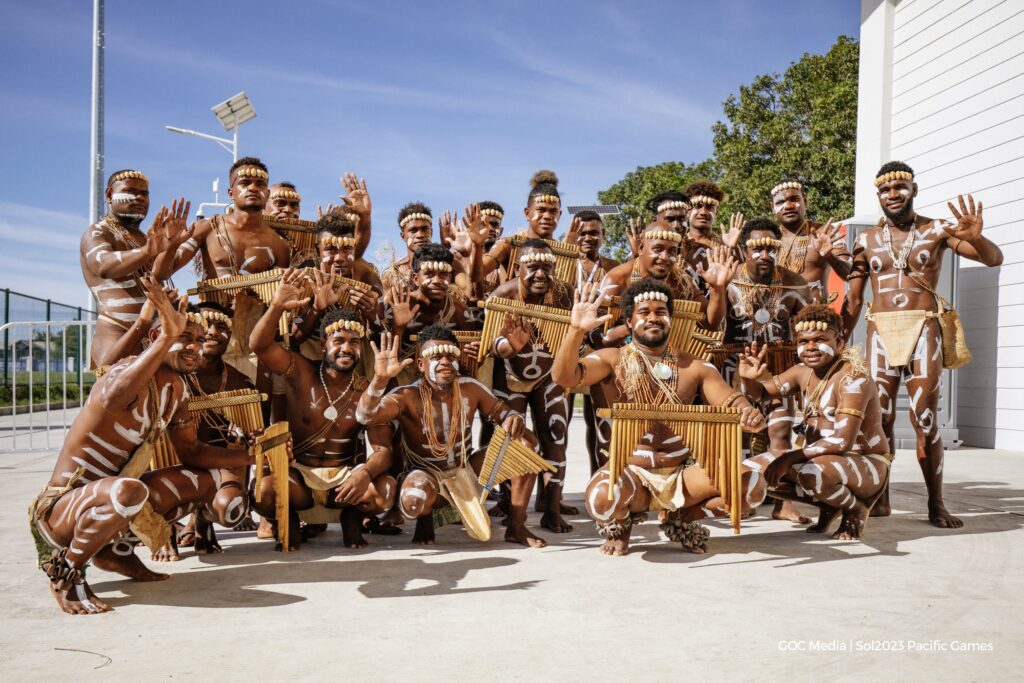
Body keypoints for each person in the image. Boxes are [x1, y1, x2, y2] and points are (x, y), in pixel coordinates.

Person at [28, 282, 255, 614]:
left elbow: (193, 453)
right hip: (63, 511)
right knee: (128, 492)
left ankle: (114, 553)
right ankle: (66, 574)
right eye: (184, 339)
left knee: (208, 481)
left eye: (197, 340)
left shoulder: (175, 389)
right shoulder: (121, 375)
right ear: (156, 340)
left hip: (114, 500)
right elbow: (114, 395)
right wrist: (165, 338)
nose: (195, 347)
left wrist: (253, 454)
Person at [551, 279, 767, 556]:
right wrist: (575, 332)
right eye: (644, 312)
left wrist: (747, 411)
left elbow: (730, 401)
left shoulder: (696, 367)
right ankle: (621, 524)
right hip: (631, 473)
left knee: (752, 487)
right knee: (601, 499)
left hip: (683, 473)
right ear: (629, 321)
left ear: (670, 320)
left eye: (661, 312)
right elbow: (564, 377)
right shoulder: (611, 360)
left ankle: (683, 517)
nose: (654, 317)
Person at [842, 161, 1002, 528]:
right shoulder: (866, 239)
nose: (892, 195)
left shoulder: (936, 230)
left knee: (925, 419)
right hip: (879, 330)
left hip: (923, 327)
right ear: (877, 195)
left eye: (900, 188)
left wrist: (975, 237)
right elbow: (852, 298)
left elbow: (994, 259)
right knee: (879, 420)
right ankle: (881, 499)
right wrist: (839, 336)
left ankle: (936, 503)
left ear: (913, 190)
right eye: (885, 190)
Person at [355, 326, 546, 547]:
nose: (445, 361)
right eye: (435, 356)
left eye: (450, 355)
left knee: (526, 443)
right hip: (426, 474)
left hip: (464, 469)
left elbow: (503, 413)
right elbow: (365, 415)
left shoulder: (470, 388)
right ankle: (427, 516)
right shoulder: (407, 395)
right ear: (421, 365)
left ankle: (516, 527)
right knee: (414, 501)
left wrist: (513, 418)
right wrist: (379, 379)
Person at [249, 272, 396, 550]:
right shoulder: (300, 371)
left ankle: (351, 518)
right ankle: (287, 520)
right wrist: (277, 307)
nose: (346, 348)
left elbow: (384, 451)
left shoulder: (367, 390)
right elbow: (259, 345)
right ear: (323, 344)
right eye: (338, 340)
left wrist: (363, 473)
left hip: (343, 480)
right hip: (298, 477)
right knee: (264, 492)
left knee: (384, 491)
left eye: (354, 342)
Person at [741, 304, 891, 540]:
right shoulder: (802, 372)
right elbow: (762, 393)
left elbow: (842, 441)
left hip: (865, 465)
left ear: (839, 343)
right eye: (803, 341)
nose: (810, 347)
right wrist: (749, 378)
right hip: (822, 462)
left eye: (819, 339)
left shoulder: (854, 379)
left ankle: (854, 509)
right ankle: (829, 506)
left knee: (811, 472)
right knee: (750, 471)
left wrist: (788, 457)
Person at [161, 157, 292, 383]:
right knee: (200, 394)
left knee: (252, 397)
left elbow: (278, 299)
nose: (253, 187)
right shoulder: (207, 228)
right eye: (245, 182)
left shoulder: (279, 245)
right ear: (231, 192)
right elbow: (164, 272)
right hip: (210, 326)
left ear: (267, 194)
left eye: (260, 184)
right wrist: (169, 246)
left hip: (253, 332)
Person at [80, 169, 191, 367]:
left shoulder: (144, 239)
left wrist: (171, 245)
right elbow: (104, 266)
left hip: (153, 331)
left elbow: (160, 274)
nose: (139, 197)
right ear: (109, 195)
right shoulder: (97, 232)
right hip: (117, 330)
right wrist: (148, 250)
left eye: (144, 193)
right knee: (120, 391)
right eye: (130, 191)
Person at [174, 302, 260, 550]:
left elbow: (253, 431)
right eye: (206, 326)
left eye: (221, 327)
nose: (212, 332)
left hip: (215, 460)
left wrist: (247, 433)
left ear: (230, 337)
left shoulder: (239, 381)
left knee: (231, 506)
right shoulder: (173, 375)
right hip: (175, 460)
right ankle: (166, 533)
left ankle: (203, 519)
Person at [600, 221, 732, 330]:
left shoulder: (680, 281)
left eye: (672, 251)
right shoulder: (617, 279)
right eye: (658, 249)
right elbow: (596, 336)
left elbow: (711, 324)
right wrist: (636, 327)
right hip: (622, 355)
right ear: (641, 249)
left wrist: (717, 289)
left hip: (670, 357)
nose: (665, 257)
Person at [769, 180, 851, 301]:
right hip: (777, 316)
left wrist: (829, 256)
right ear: (772, 208)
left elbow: (850, 274)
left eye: (794, 199)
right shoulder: (768, 239)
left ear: (805, 202)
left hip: (814, 316)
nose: (788, 206)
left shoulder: (824, 232)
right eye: (781, 202)